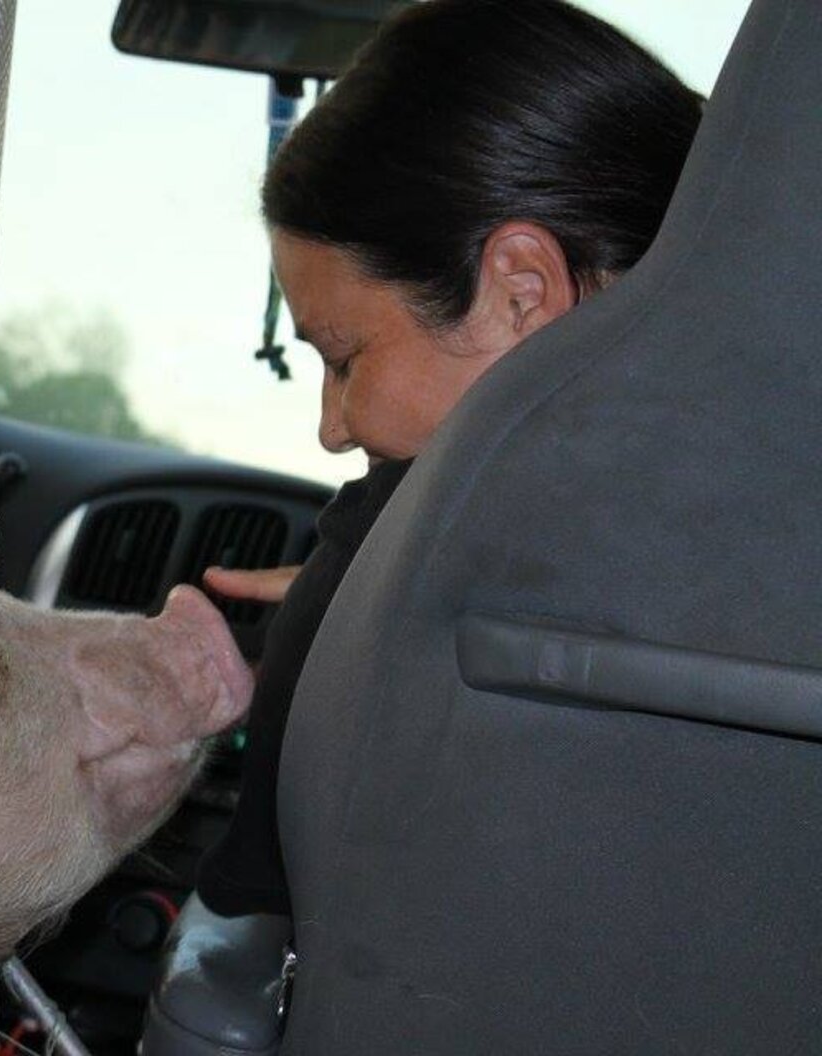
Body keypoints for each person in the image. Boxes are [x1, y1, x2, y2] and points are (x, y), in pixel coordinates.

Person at [194, 0, 704, 917]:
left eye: (343, 358)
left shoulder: (383, 535)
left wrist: (348, 593)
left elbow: (256, 912)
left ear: (520, 291)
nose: (332, 429)